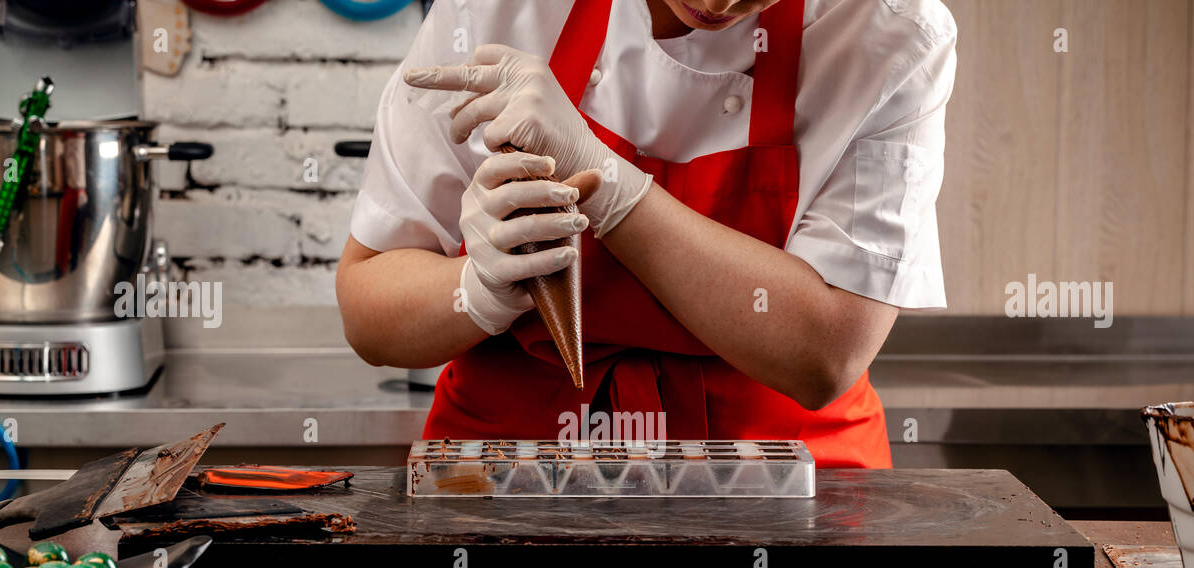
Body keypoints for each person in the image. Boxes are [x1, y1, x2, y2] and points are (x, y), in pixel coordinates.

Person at [336, 0, 956, 466]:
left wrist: (608, 183)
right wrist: (478, 288)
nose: (718, 4)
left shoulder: (891, 34)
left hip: (783, 474)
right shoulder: (503, 7)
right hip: (513, 461)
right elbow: (369, 311)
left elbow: (825, 355)